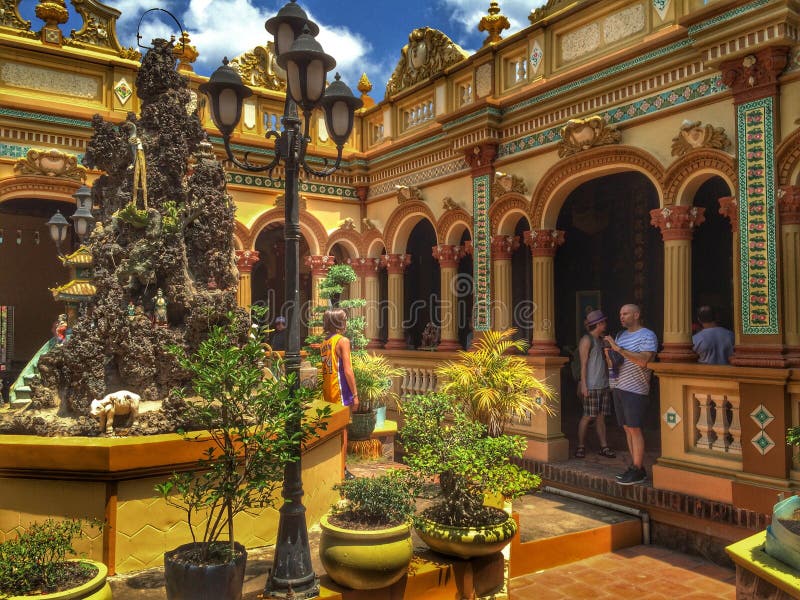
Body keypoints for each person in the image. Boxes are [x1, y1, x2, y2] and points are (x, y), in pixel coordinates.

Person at [604, 304, 658, 486]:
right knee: (627, 428)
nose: (621, 317)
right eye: (620, 314)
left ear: (636, 314)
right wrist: (609, 353)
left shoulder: (647, 335)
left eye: (625, 313)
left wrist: (618, 349)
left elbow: (643, 360)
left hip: (636, 389)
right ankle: (635, 467)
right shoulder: (620, 336)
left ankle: (638, 468)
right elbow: (615, 363)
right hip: (619, 387)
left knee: (635, 428)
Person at [320, 308, 359, 479]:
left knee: (333, 432)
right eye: (344, 319)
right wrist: (355, 394)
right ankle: (342, 469)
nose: (346, 322)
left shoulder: (325, 342)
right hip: (341, 391)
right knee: (343, 432)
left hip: (328, 392)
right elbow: (348, 370)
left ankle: (336, 467)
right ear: (339, 322)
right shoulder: (343, 341)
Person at [575, 310, 615, 459]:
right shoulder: (587, 340)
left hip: (603, 384)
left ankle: (604, 446)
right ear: (598, 324)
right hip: (591, 385)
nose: (605, 324)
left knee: (600, 417)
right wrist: (584, 384)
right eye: (603, 322)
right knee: (587, 416)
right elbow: (583, 364)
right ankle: (580, 446)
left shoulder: (601, 340)